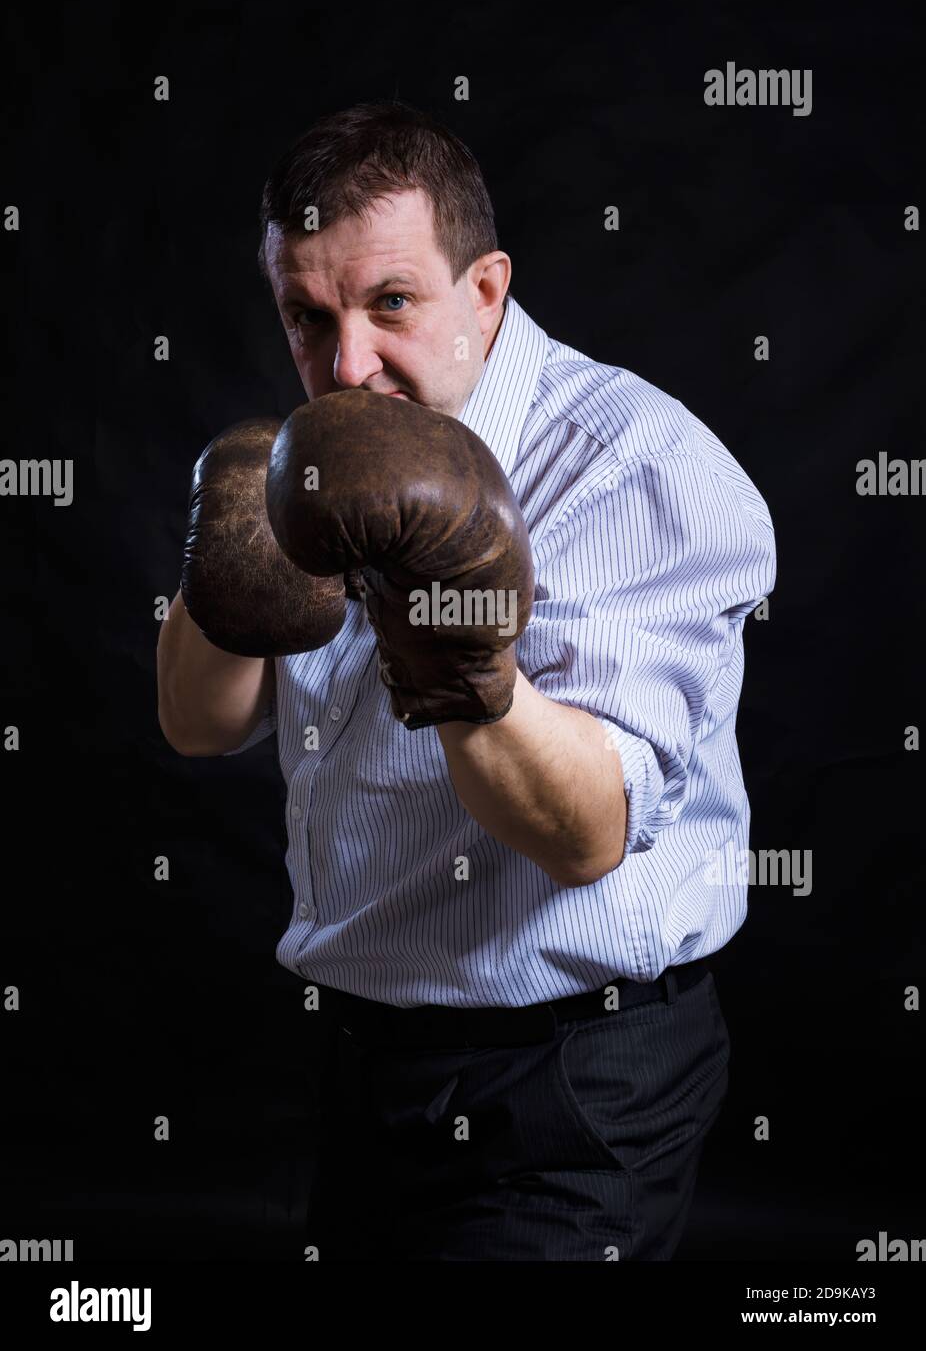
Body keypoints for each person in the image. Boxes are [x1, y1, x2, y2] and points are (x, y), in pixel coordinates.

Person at [156, 98, 777, 1262]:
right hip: (364, 1067)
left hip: (570, 1083)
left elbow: (586, 833)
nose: (345, 364)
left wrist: (456, 647)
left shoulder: (633, 464)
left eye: (390, 302)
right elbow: (198, 723)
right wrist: (229, 563)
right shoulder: (315, 454)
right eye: (306, 314)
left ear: (483, 289)